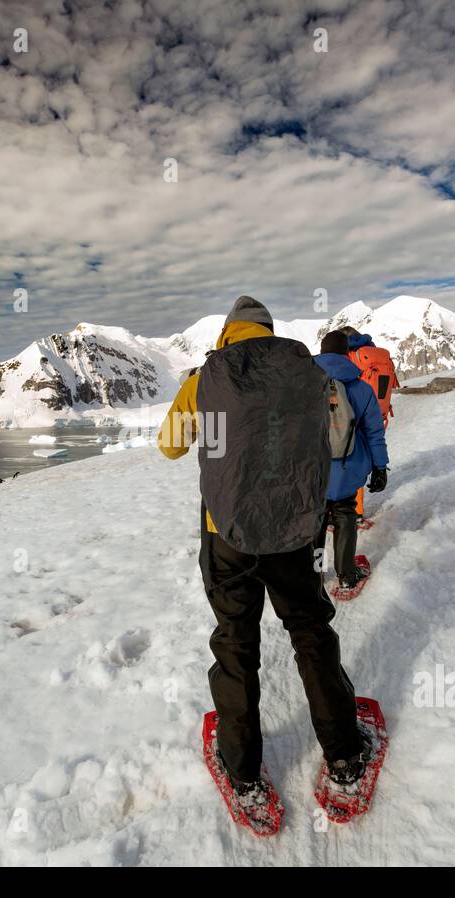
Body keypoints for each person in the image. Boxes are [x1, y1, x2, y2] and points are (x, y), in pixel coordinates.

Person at [157, 296, 373, 801]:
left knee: (235, 642)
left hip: (226, 531)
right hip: (295, 527)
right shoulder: (306, 374)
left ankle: (244, 772)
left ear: (228, 333)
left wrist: (207, 411)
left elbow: (171, 445)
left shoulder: (206, 380)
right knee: (310, 631)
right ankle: (344, 754)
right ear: (270, 333)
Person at [314, 330, 389, 591]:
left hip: (314, 470)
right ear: (347, 354)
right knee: (345, 516)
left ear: (321, 353)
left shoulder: (302, 385)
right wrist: (380, 467)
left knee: (316, 521)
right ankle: (346, 574)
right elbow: (374, 432)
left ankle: (315, 574)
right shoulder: (361, 388)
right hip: (349, 468)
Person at [340, 326, 397, 526]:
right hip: (374, 413)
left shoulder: (350, 354)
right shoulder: (375, 353)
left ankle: (350, 513)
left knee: (346, 460)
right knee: (360, 458)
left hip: (352, 414)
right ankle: (356, 511)